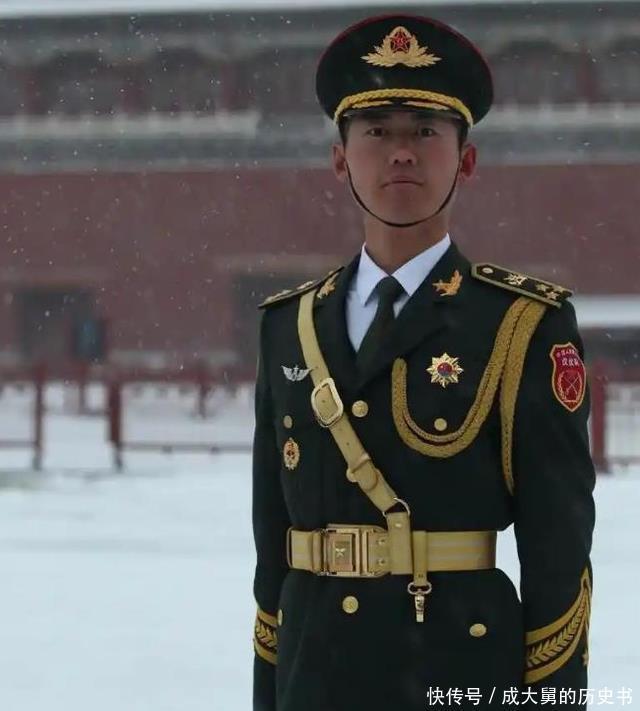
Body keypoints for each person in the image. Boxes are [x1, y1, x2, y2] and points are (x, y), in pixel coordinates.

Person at [251, 14, 595, 711]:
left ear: (466, 161)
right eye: (377, 132)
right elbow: (271, 549)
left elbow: (558, 557)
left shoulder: (521, 324)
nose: (401, 153)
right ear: (340, 160)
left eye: (426, 132)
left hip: (458, 671)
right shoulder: (290, 325)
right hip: (314, 676)